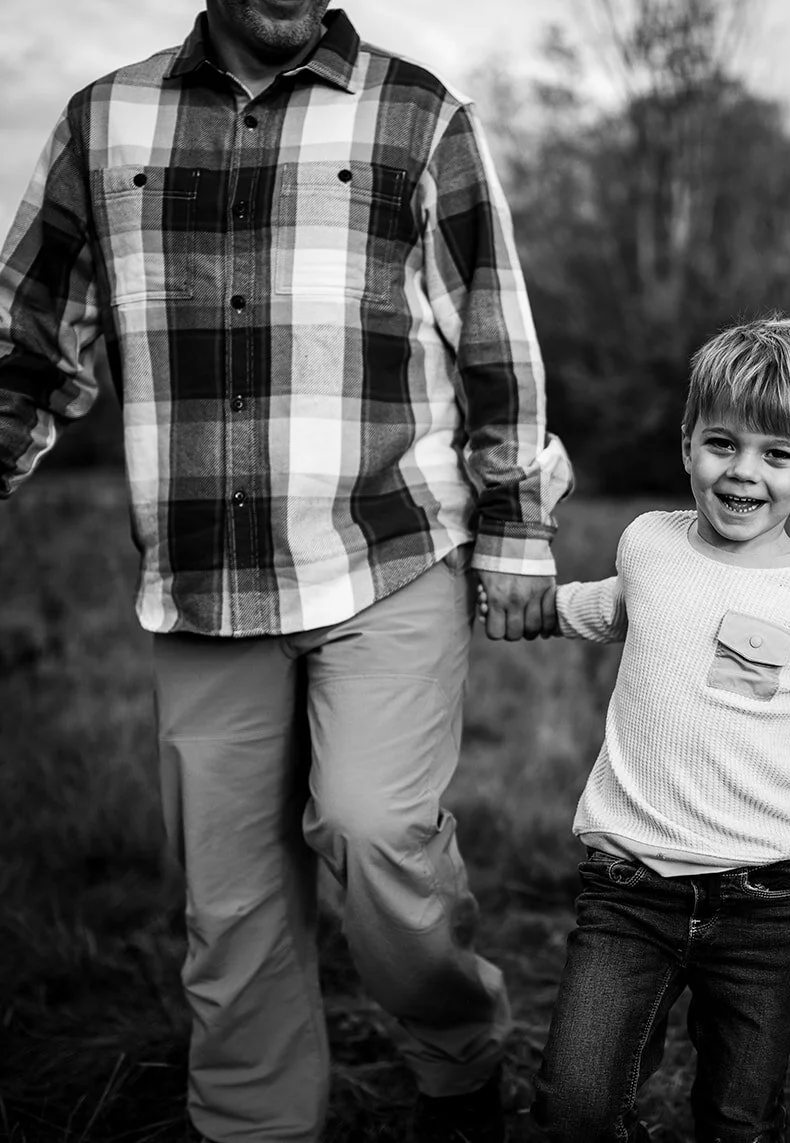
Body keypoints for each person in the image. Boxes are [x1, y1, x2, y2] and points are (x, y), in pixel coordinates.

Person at [0, 3, 570, 1141]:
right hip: (206, 584)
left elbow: (495, 343)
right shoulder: (104, 122)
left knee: (374, 835)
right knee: (234, 912)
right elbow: (24, 346)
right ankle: (257, 1127)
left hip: (387, 553)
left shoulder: (416, 114)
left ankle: (458, 1067)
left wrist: (514, 528)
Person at [518, 315, 790, 1143]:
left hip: (758, 905)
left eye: (776, 454)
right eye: (722, 443)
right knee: (573, 1107)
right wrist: (543, 608)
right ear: (686, 441)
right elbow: (618, 606)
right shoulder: (647, 543)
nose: (743, 472)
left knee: (737, 1120)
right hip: (628, 887)